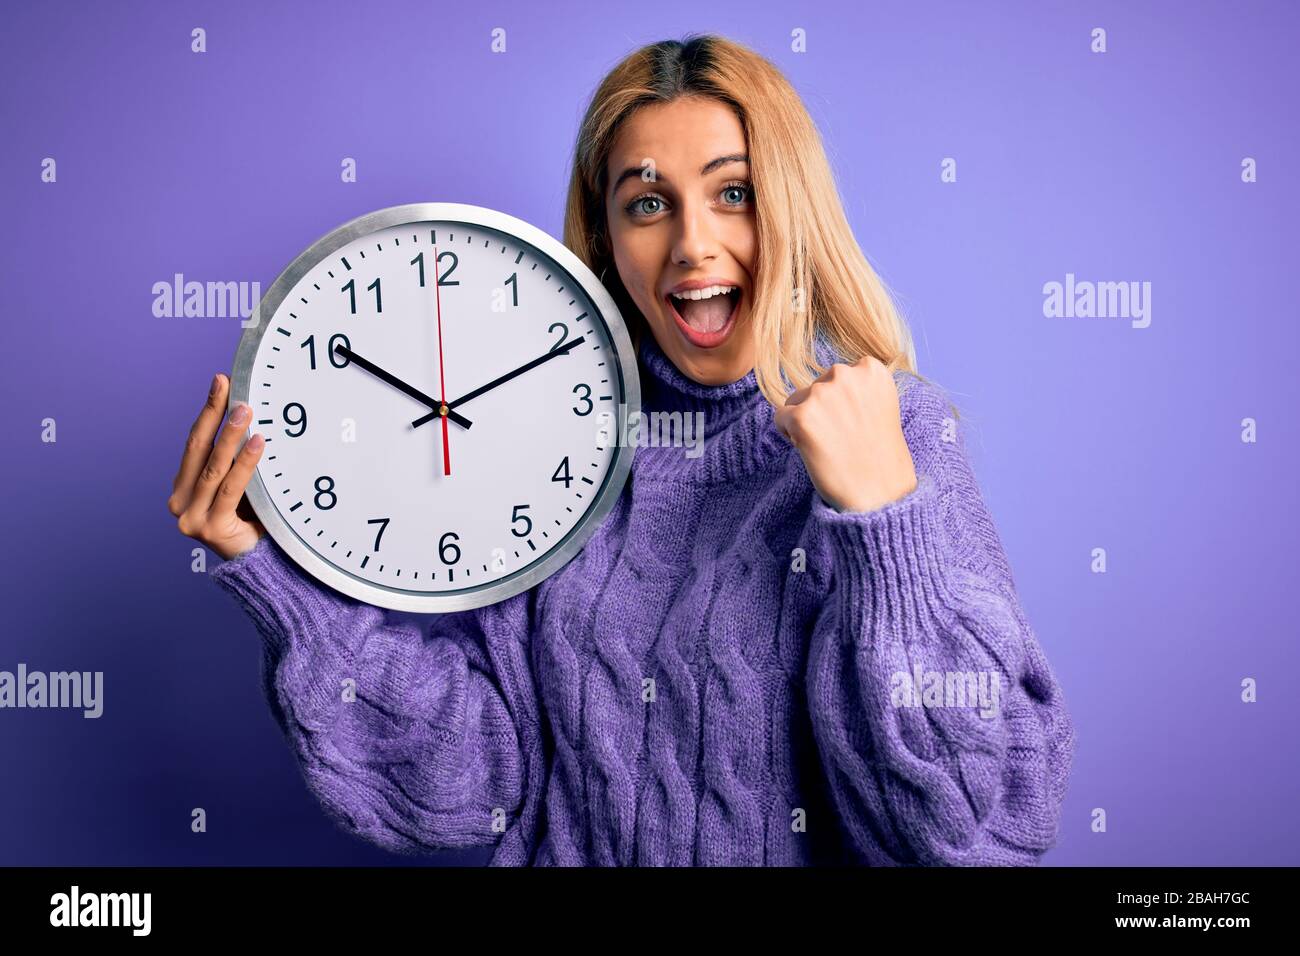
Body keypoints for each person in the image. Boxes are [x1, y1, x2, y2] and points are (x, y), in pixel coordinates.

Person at [168, 34, 1074, 866]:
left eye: (734, 194)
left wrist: (883, 524)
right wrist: (275, 578)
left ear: (792, 211)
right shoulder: (550, 450)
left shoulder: (896, 434)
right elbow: (474, 788)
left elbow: (975, 833)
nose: (693, 244)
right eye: (649, 203)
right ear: (607, 239)